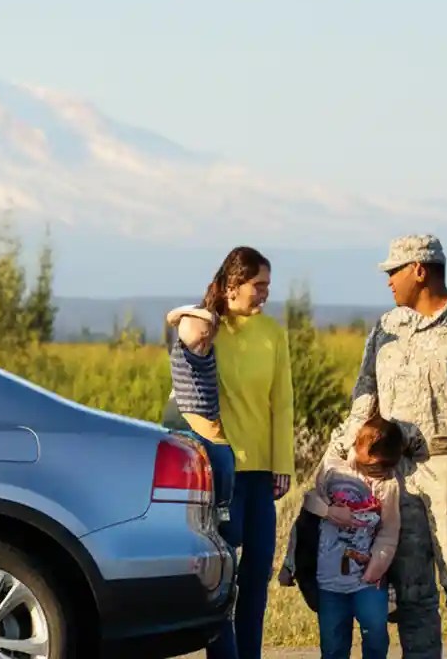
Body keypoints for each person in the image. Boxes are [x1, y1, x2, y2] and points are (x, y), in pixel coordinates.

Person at [321, 234, 447, 659]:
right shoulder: (386, 328)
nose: (388, 281)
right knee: (411, 597)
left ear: (420, 270)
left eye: (394, 271)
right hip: (396, 478)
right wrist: (341, 454)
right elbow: (365, 398)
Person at [163, 245, 295, 659]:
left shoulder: (273, 333)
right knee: (222, 578)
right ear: (233, 285)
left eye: (268, 286)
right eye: (258, 285)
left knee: (257, 576)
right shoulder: (205, 331)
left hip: (261, 473)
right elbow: (186, 396)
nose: (264, 294)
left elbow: (283, 402)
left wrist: (283, 464)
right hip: (220, 473)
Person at [279, 411, 409, 659]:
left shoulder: (387, 485)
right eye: (369, 465)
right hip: (329, 580)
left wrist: (376, 566)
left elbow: (389, 532)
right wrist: (329, 512)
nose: (375, 472)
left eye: (383, 467)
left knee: (375, 636)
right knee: (333, 644)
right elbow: (308, 504)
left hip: (368, 580)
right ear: (357, 450)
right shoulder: (335, 470)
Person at [166, 305, 236, 520]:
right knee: (206, 461)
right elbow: (172, 323)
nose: (201, 345)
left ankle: (221, 505)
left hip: (208, 422)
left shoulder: (212, 354)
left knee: (223, 462)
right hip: (187, 418)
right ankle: (210, 506)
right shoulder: (180, 354)